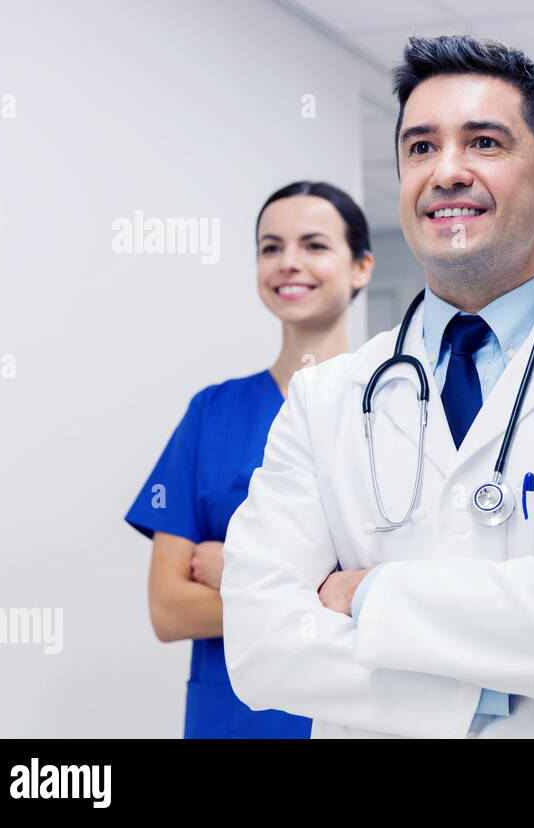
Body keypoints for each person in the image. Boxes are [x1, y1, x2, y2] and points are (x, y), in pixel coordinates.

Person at [219, 35, 534, 739]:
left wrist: (363, 593)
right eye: (420, 148)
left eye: (483, 142)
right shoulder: (325, 398)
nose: (447, 171)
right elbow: (263, 646)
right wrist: (493, 683)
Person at [125, 180, 375, 738]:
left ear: (360, 267)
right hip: (235, 721)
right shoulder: (212, 413)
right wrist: (333, 591)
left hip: (357, 712)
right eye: (270, 247)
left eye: (313, 245)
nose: (288, 263)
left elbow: (415, 588)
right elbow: (168, 609)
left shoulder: (398, 407)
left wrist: (237, 571)